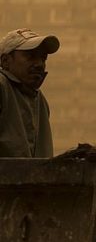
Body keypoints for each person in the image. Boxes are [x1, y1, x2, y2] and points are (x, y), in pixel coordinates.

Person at [0, 28, 60, 157]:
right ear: (5, 61)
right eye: (30, 56)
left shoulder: (39, 100)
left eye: (43, 58)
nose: (39, 64)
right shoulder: (2, 87)